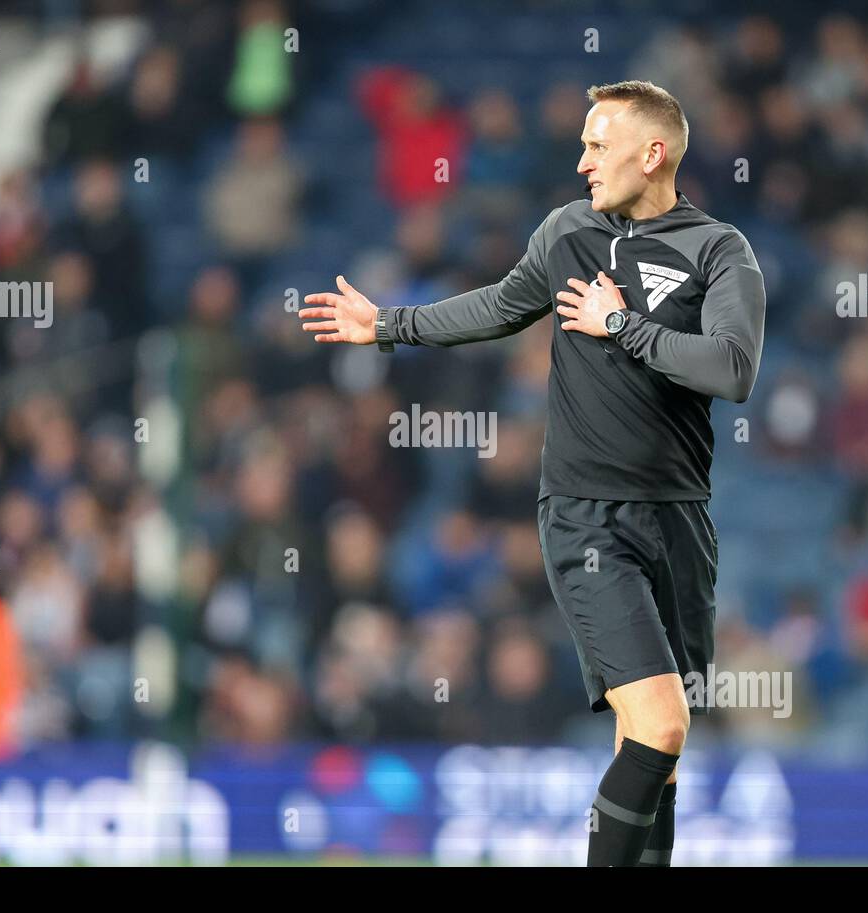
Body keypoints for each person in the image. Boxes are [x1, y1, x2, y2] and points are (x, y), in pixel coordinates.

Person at [299, 80, 766, 866]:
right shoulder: (567, 236)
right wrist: (387, 324)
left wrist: (621, 325)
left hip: (680, 520)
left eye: (597, 143)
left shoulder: (719, 250)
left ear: (652, 154)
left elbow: (731, 368)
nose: (582, 161)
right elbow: (494, 307)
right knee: (661, 724)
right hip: (588, 519)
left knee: (656, 746)